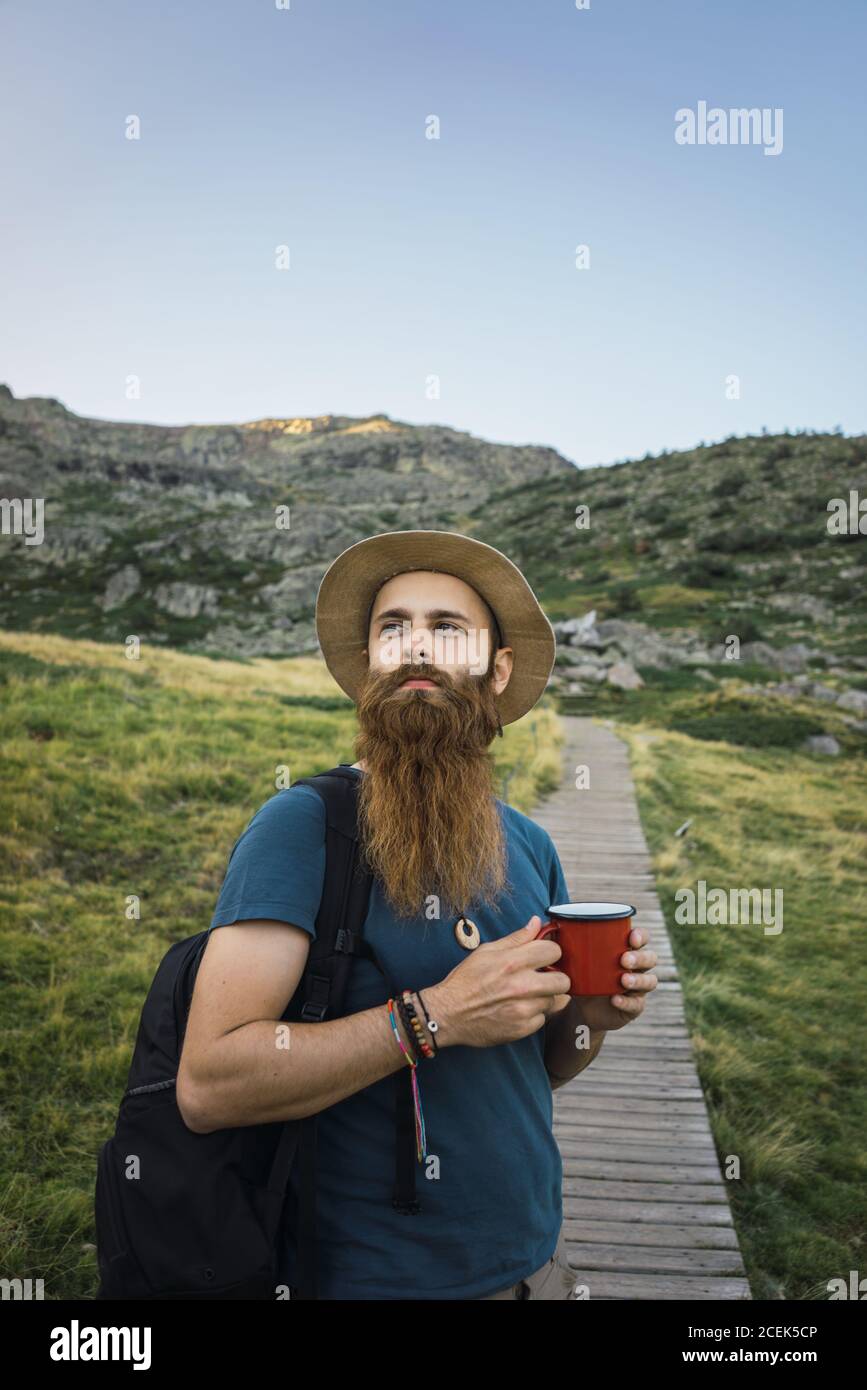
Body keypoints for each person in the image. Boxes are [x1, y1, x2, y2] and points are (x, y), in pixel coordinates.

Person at [176, 529, 657, 1300]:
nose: (414, 649)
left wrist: (592, 1018)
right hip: (371, 1280)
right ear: (370, 664)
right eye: (392, 629)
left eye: (447, 629)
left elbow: (540, 1069)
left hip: (536, 1265)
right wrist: (434, 1016)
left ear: (496, 671)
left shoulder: (528, 845)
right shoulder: (304, 828)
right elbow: (208, 1085)